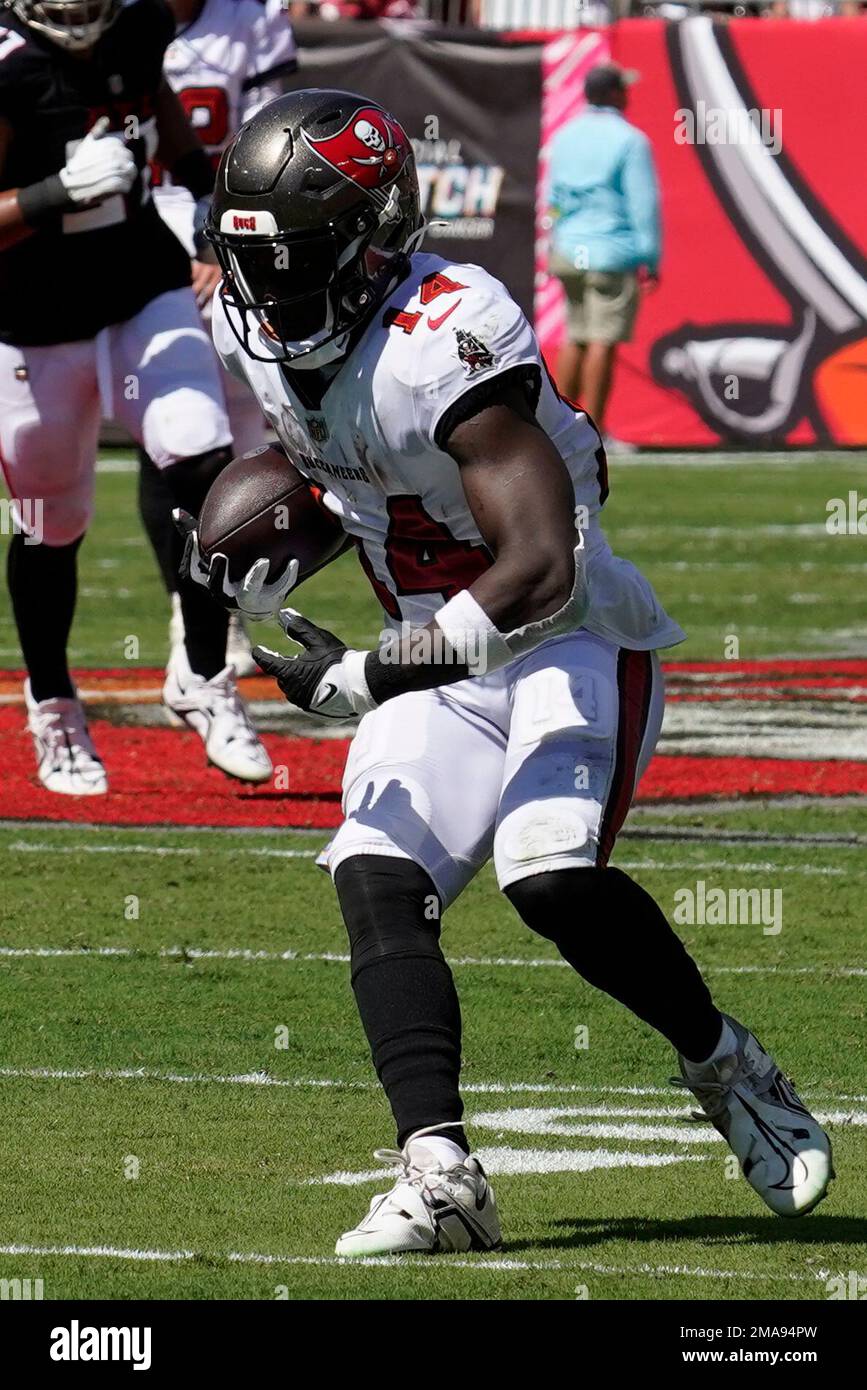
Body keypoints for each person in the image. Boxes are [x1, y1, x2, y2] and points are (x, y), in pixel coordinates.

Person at [180, 88, 832, 1255]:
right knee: (377, 877)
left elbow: (535, 563)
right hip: (434, 643)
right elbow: (349, 475)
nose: (269, 296)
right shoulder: (253, 317)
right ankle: (441, 1173)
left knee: (549, 879)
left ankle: (725, 1063)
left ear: (374, 243)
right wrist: (282, 538)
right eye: (255, 264)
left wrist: (377, 676)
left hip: (567, 634)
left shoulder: (449, 332)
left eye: (299, 262)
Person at [0, 0, 270, 792]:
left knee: (206, 468)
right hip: (33, 319)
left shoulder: (139, 26)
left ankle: (204, 674)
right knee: (53, 524)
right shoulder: (10, 67)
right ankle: (54, 705)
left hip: (141, 284)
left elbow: (157, 108)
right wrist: (52, 193)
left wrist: (204, 193)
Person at [142, 0, 297, 679]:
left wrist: (221, 235)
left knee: (244, 439)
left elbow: (265, 135)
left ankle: (218, 610)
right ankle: (190, 613)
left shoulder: (251, 19)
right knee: (176, 433)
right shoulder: (118, 22)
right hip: (137, 235)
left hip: (227, 235)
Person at [547, 63, 661, 443]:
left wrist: (556, 241)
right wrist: (651, 257)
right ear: (614, 94)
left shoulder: (564, 136)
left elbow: (553, 201)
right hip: (609, 250)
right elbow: (643, 205)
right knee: (602, 338)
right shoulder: (630, 140)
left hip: (569, 249)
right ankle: (592, 431)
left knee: (575, 335)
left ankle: (558, 427)